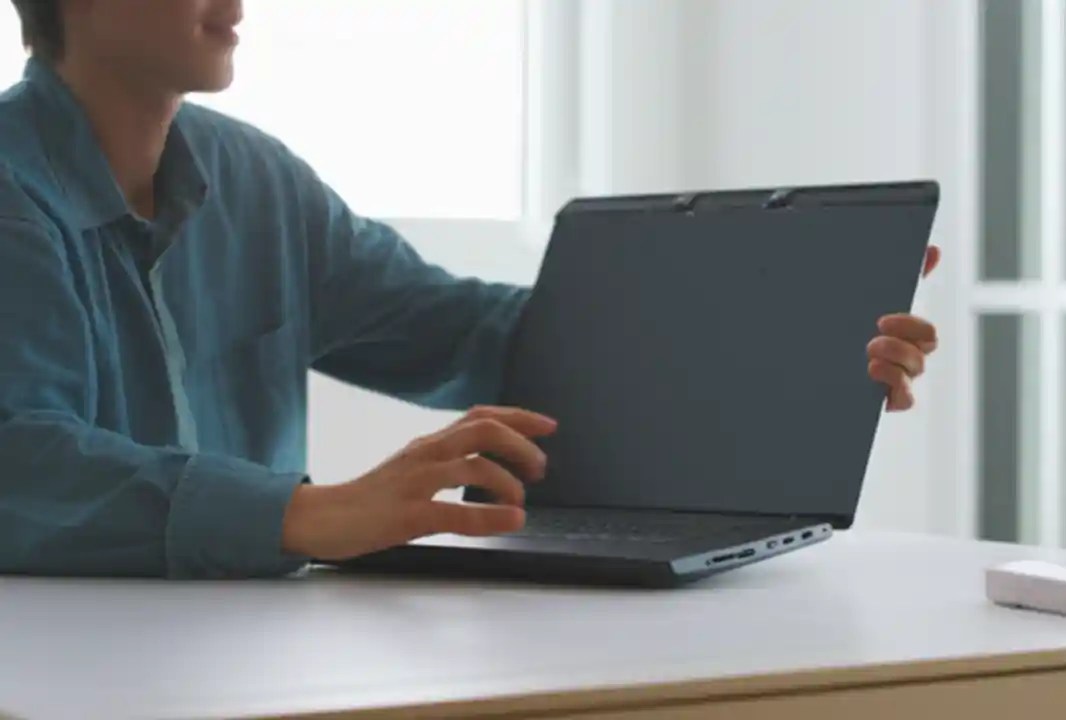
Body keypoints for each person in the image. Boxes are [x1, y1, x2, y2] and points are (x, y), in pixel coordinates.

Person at [0, 0, 942, 578]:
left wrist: (786, 340)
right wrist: (316, 514)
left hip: (245, 664)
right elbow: (23, 465)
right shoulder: (12, 190)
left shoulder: (258, 184)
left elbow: (472, 335)